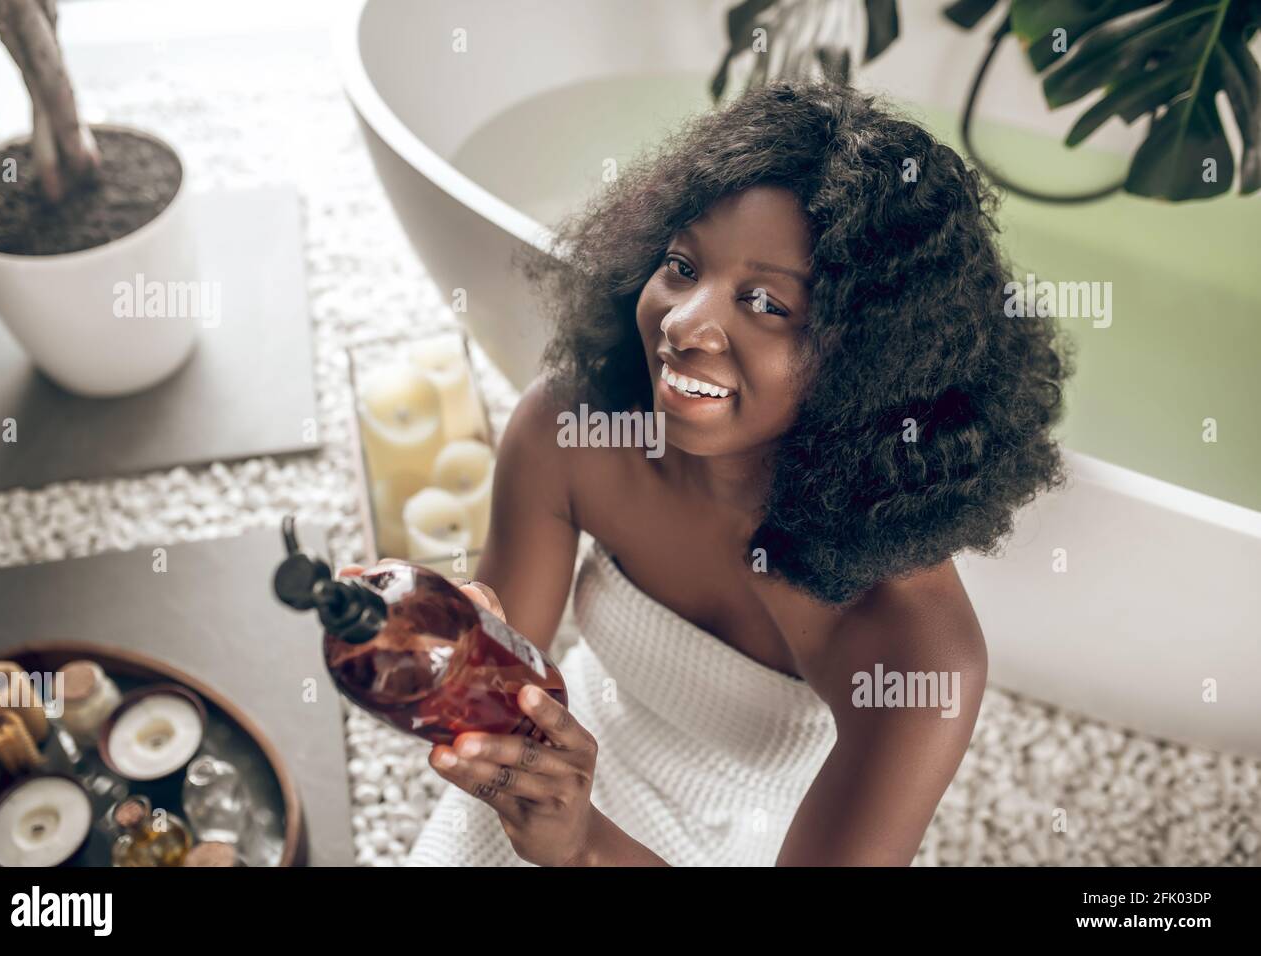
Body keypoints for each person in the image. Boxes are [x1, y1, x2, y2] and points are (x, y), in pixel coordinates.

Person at [395, 78, 1071, 866]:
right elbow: (501, 684)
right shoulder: (571, 429)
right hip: (564, 769)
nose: (684, 323)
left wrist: (583, 848)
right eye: (682, 266)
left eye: (768, 304)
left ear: (873, 360)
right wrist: (439, 652)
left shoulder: (914, 643)